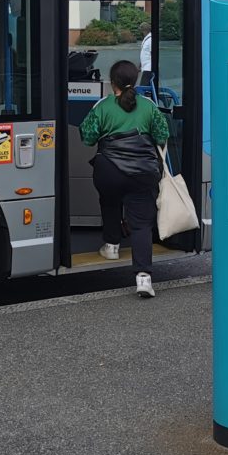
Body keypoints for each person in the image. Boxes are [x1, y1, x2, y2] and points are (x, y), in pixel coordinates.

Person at [79, 58, 170, 299]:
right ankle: (143, 278)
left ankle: (111, 246)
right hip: (143, 171)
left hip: (108, 170)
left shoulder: (102, 105)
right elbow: (163, 134)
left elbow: (87, 137)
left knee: (109, 200)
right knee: (141, 223)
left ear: (112, 82)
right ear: (135, 80)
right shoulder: (149, 105)